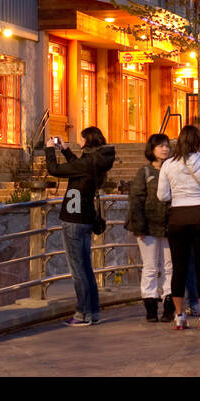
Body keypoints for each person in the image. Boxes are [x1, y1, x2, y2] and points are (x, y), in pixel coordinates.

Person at [45, 126, 116, 326]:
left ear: (87, 141)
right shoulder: (96, 161)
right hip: (86, 219)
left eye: (81, 139)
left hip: (73, 220)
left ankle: (82, 314)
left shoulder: (88, 163)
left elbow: (55, 170)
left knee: (78, 270)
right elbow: (78, 166)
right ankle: (93, 312)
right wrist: (66, 150)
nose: (79, 141)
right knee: (86, 268)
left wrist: (50, 149)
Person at [157, 124, 200, 330]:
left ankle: (179, 316)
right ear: (196, 142)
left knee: (179, 268)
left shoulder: (168, 165)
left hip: (178, 218)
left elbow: (162, 195)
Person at [127, 133, 173, 323]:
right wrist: (139, 226)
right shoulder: (144, 172)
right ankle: (150, 305)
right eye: (160, 146)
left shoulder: (173, 170)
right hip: (148, 226)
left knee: (170, 267)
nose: (164, 149)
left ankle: (169, 304)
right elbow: (136, 200)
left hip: (170, 226)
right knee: (150, 267)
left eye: (166, 145)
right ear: (151, 149)